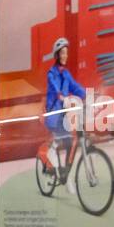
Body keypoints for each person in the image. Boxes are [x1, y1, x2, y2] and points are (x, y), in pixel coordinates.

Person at [43, 36, 86, 187]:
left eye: (66, 53)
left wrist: (89, 95)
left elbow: (75, 87)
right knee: (62, 141)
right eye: (62, 53)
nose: (64, 56)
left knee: (69, 143)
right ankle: (53, 164)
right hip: (54, 115)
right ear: (56, 55)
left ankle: (64, 172)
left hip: (63, 115)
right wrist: (62, 97)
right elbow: (55, 88)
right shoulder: (51, 73)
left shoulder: (66, 74)